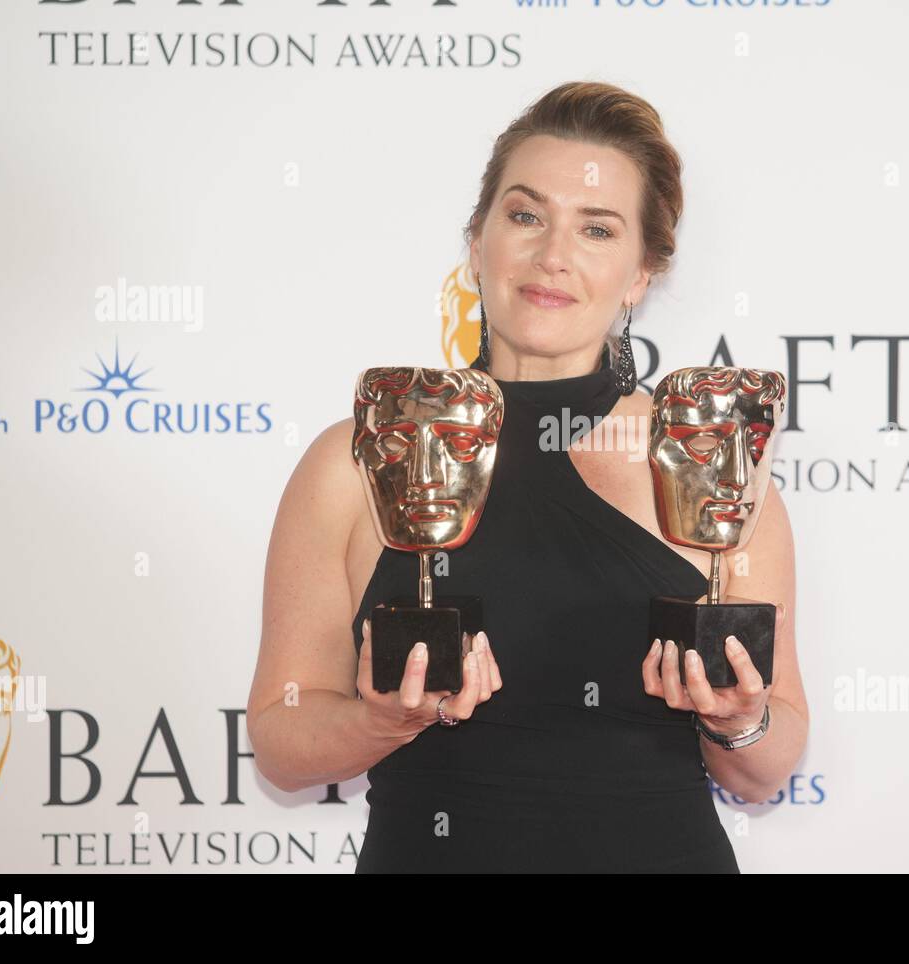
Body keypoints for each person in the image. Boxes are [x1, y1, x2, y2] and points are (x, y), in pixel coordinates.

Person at [246, 81, 808, 872]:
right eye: (524, 215)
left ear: (642, 272)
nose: (553, 255)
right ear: (477, 241)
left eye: (598, 229)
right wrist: (383, 721)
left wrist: (740, 719)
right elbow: (281, 738)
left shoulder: (710, 464)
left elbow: (767, 762)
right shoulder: (358, 458)